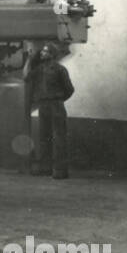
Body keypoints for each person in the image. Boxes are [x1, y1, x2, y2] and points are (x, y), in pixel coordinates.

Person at [23, 41, 74, 179]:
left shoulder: (60, 70)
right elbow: (26, 77)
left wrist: (58, 100)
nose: (42, 53)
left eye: (45, 51)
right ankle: (46, 169)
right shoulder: (40, 69)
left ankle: (60, 171)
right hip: (44, 105)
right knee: (44, 138)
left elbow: (70, 90)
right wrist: (28, 59)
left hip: (55, 105)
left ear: (51, 54)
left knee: (58, 138)